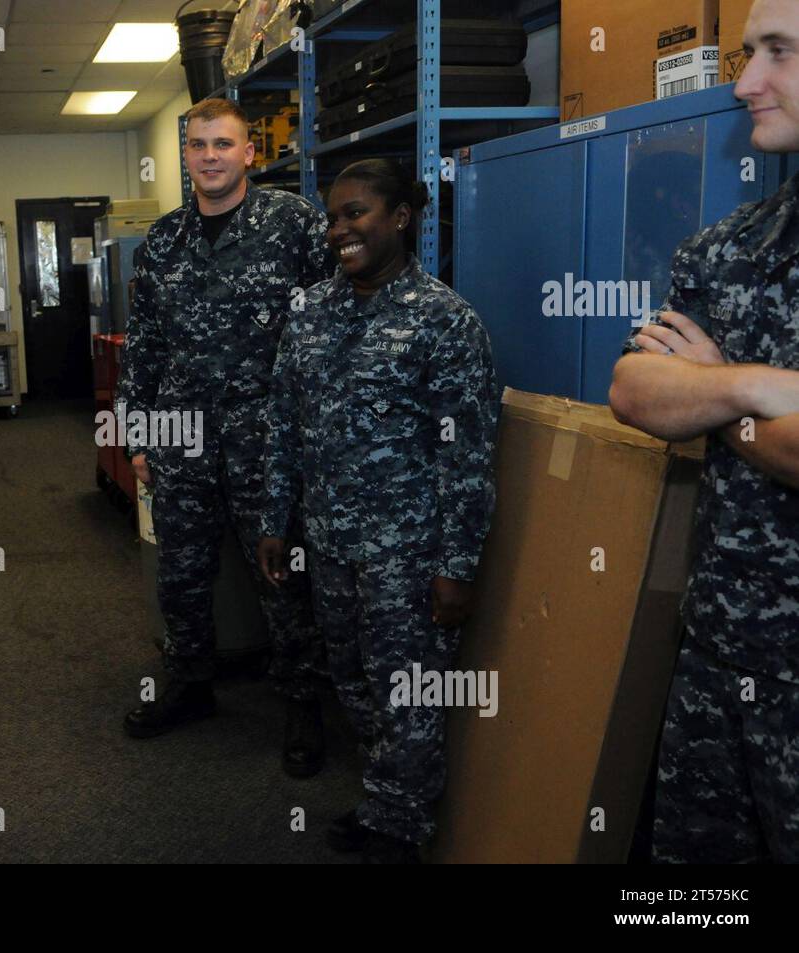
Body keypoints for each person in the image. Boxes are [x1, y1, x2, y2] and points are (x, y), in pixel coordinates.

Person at [259, 159, 498, 862]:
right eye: (332, 217)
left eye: (356, 213)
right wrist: (276, 517)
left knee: (410, 693)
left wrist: (457, 566)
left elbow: (470, 458)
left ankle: (403, 826)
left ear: (401, 217)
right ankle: (384, 796)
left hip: (408, 553)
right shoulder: (309, 313)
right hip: (329, 541)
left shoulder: (447, 323)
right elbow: (284, 422)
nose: (339, 230)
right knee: (354, 680)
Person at [609, 0, 799, 864]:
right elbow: (635, 389)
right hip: (718, 647)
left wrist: (713, 400)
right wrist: (759, 387)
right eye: (746, 52)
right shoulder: (732, 246)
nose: (745, 82)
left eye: (778, 54)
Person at [117, 98, 334, 776]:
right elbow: (144, 343)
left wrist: (314, 429)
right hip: (180, 433)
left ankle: (302, 699)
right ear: (185, 156)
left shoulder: (293, 224)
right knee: (182, 571)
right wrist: (138, 432)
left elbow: (328, 325)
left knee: (282, 573)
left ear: (250, 153)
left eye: (223, 143)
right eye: (198, 144)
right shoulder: (163, 241)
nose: (209, 154)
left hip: (266, 435)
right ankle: (191, 682)